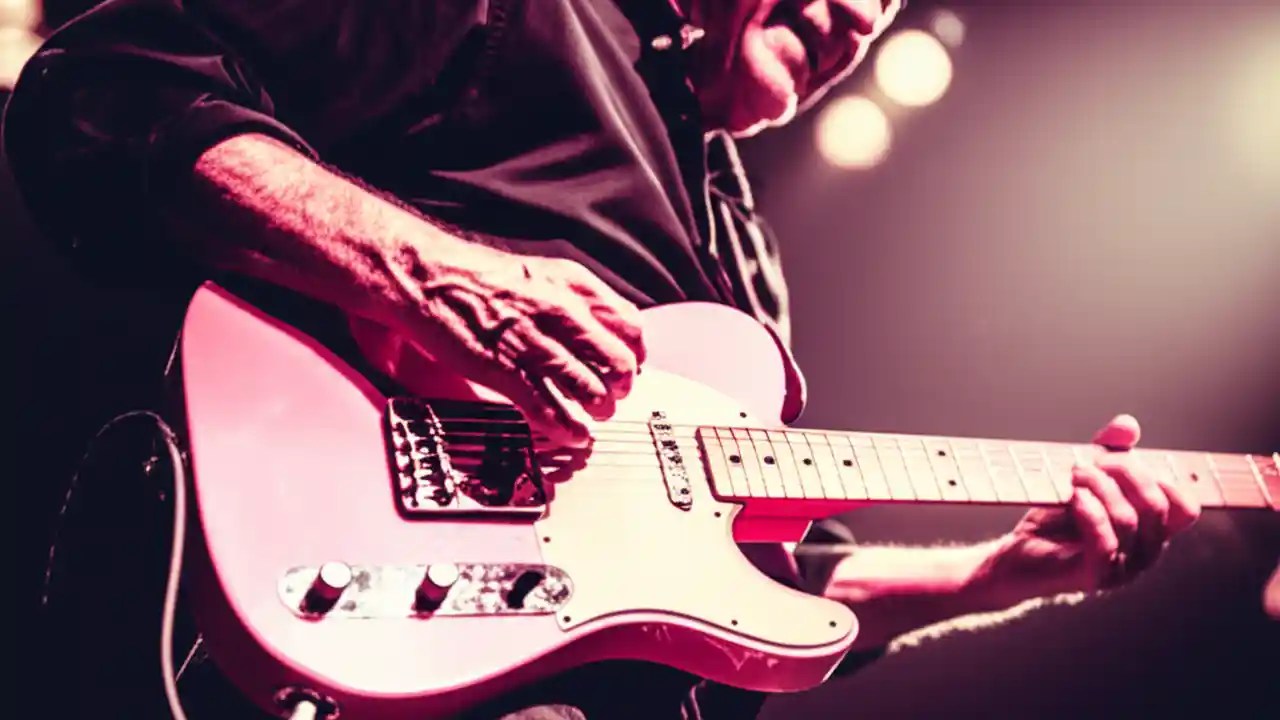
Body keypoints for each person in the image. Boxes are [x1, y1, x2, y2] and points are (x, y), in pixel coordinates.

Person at [3, 1, 1201, 718]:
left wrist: (998, 576)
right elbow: (100, 90)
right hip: (336, 625)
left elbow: (748, 596)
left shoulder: (740, 254)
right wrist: (432, 276)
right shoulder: (514, 14)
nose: (859, 13)